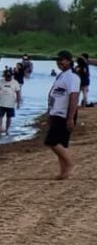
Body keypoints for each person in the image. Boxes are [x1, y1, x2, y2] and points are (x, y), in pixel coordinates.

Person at [46, 50, 80, 180]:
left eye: (62, 60)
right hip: (56, 112)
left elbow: (74, 97)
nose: (59, 62)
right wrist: (50, 112)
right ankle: (63, 171)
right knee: (62, 143)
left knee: (52, 141)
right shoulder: (62, 75)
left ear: (69, 61)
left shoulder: (72, 76)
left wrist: (70, 117)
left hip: (64, 113)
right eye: (58, 60)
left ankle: (70, 164)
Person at [0, 69, 21, 136]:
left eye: (9, 76)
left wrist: (18, 103)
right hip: (1, 103)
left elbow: (18, 93)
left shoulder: (15, 82)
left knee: (9, 117)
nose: (8, 78)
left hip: (11, 104)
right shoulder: (0, 81)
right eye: (6, 76)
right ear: (4, 76)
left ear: (11, 76)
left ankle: (7, 130)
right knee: (0, 116)